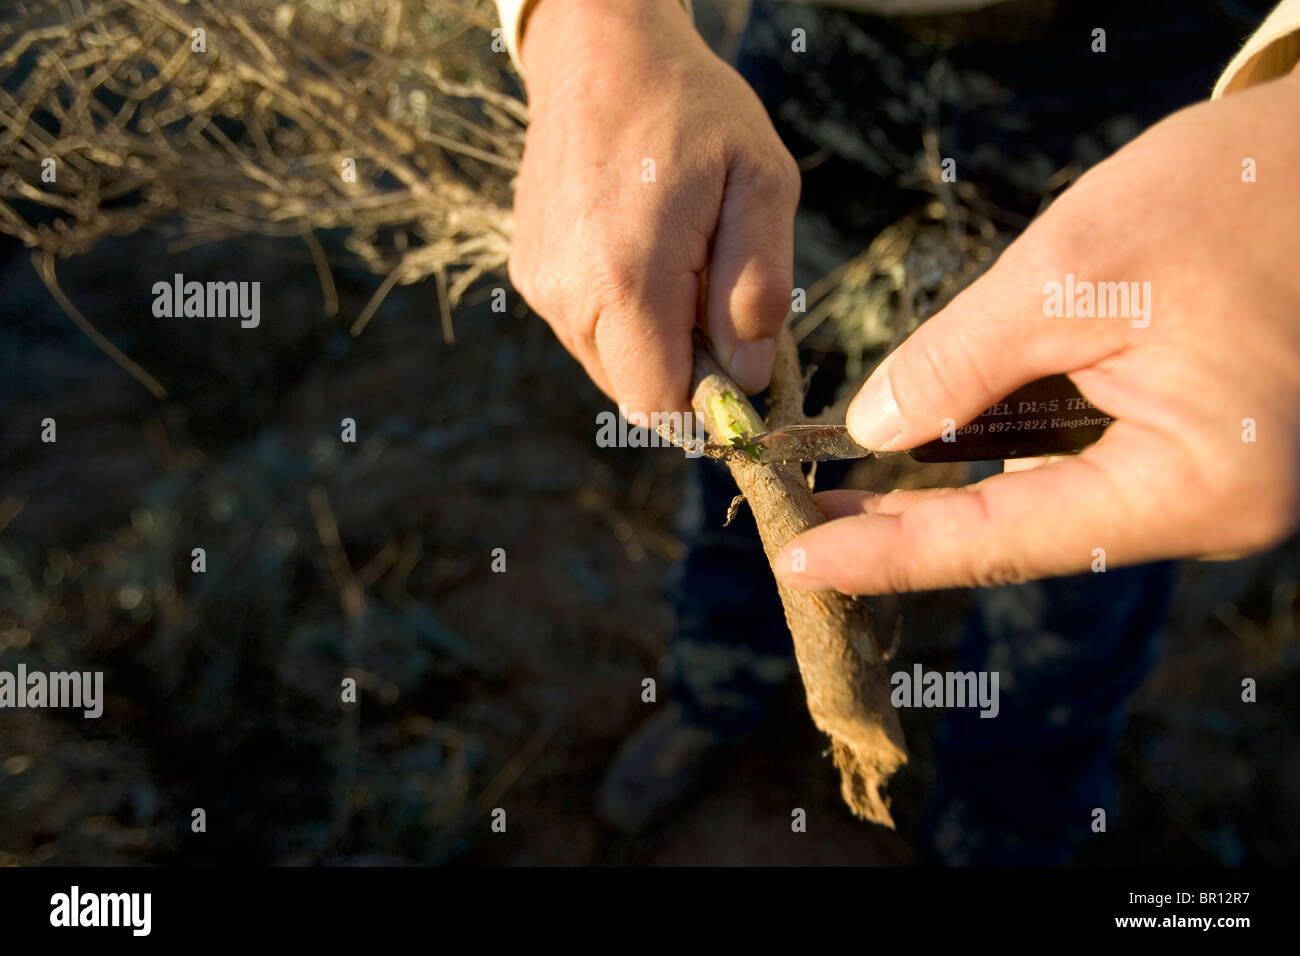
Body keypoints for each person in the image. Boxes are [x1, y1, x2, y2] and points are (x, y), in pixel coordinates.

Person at [492, 0, 1300, 862]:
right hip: (820, 62)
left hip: (1165, 83)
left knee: (1083, 538)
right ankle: (721, 690)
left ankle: (1009, 823)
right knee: (746, 415)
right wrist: (586, 23)